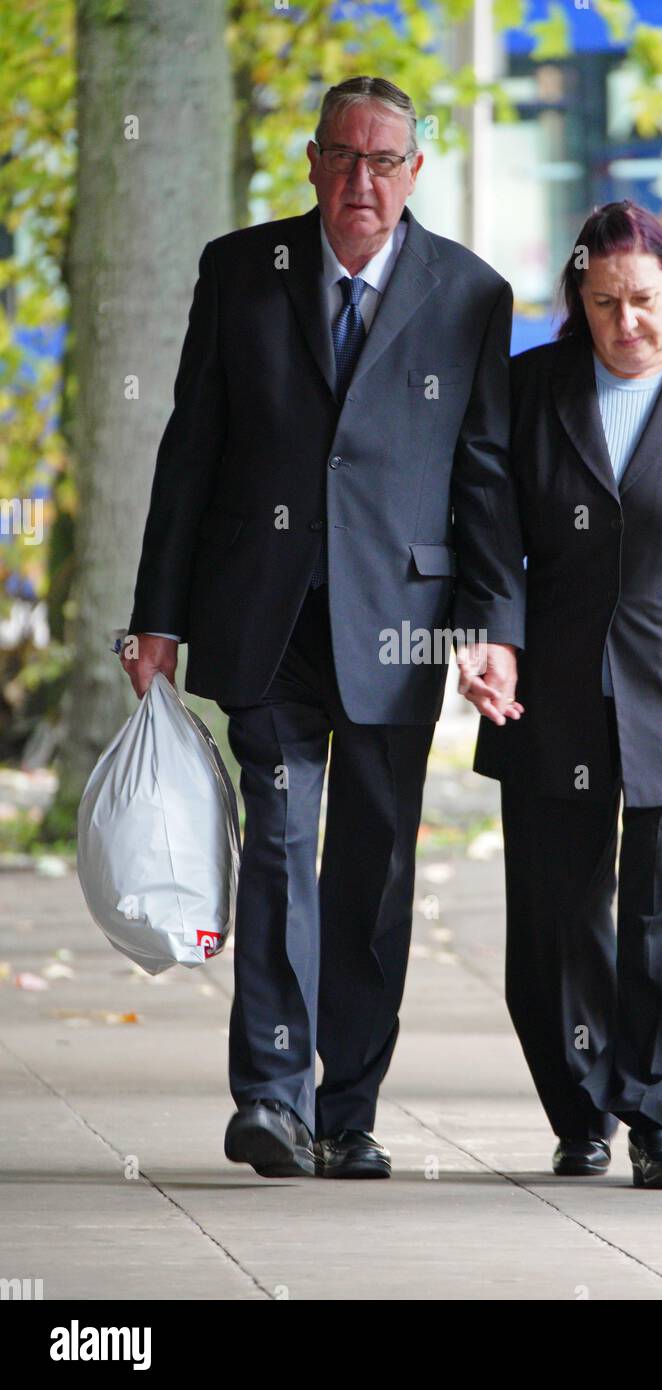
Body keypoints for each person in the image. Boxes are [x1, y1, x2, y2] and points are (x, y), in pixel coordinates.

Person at [122, 76, 525, 1180]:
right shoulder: (242, 270)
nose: (361, 181)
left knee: (373, 870)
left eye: (383, 161)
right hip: (266, 616)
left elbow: (484, 475)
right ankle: (271, 1095)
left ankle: (347, 1108)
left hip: (401, 623)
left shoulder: (469, 295)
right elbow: (188, 449)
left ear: (413, 172)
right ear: (310, 162)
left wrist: (494, 625)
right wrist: (155, 615)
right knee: (282, 843)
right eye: (343, 158)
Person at [472, 200, 662, 1190]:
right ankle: (577, 1111)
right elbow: (489, 530)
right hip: (550, 682)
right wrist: (494, 638)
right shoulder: (528, 386)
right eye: (603, 303)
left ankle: (653, 1112)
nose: (627, 324)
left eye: (643, 300)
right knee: (557, 912)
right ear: (577, 300)